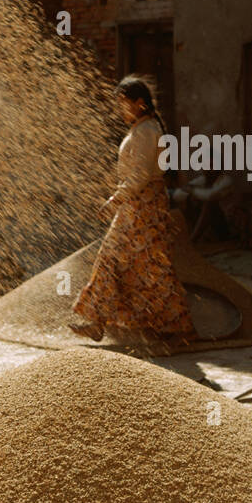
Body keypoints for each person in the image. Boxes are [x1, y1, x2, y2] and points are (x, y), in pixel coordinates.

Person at [70, 75, 196, 344]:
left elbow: (139, 176)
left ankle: (100, 320)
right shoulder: (143, 128)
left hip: (142, 204)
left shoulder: (147, 132)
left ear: (139, 104)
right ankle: (165, 324)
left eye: (124, 104)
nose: (120, 111)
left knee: (116, 259)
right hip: (143, 203)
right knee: (144, 264)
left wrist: (115, 199)